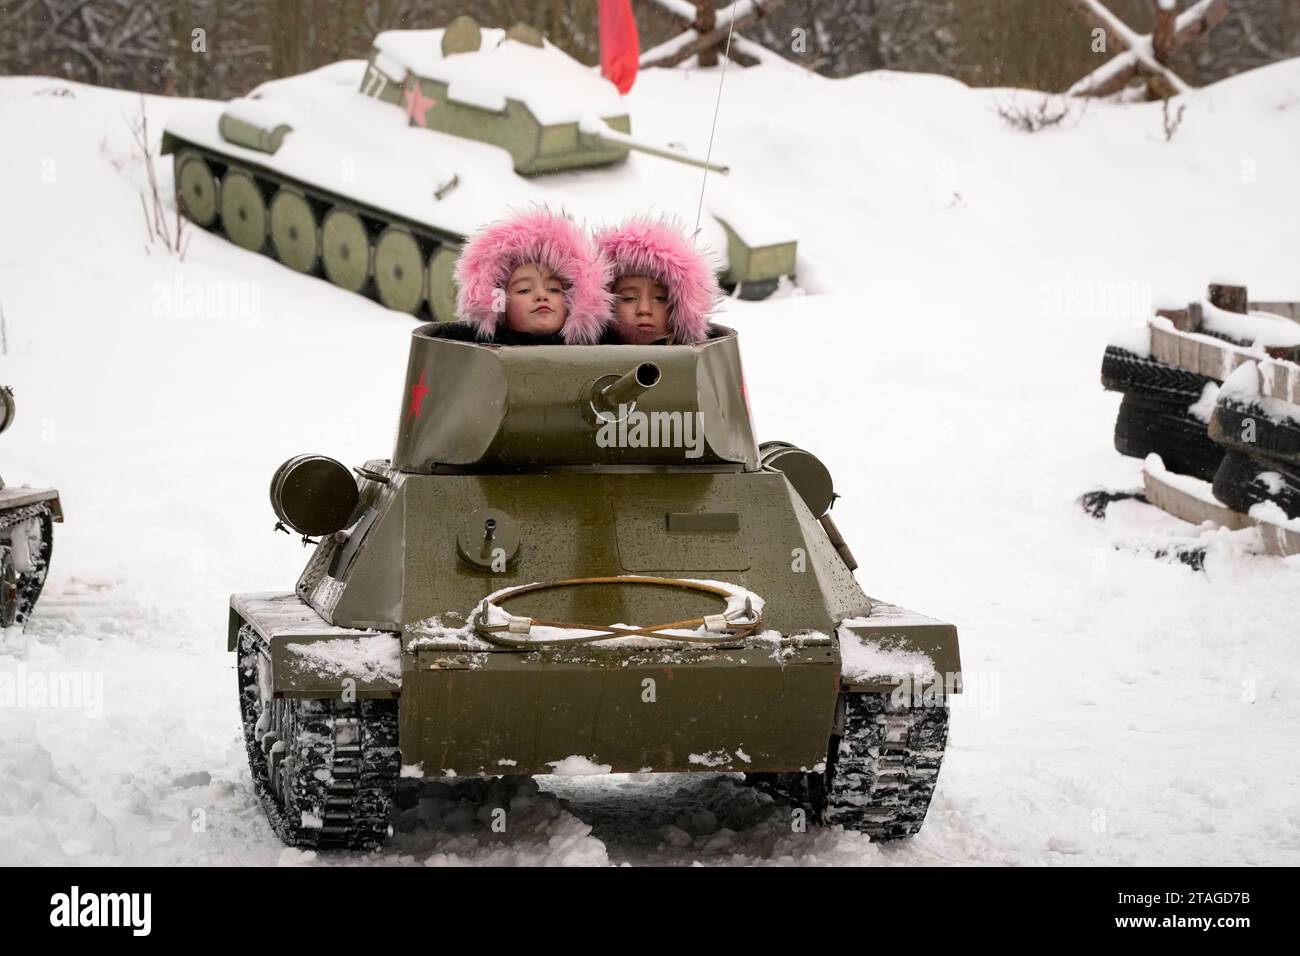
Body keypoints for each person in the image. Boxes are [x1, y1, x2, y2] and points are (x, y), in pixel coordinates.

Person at [453, 206, 612, 345]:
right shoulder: (475, 355)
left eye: (554, 289)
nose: (541, 295)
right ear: (499, 304)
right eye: (524, 290)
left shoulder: (601, 352)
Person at [594, 216, 721, 345]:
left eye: (660, 298)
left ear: (680, 309)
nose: (644, 309)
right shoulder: (581, 355)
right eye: (629, 298)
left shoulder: (707, 358)